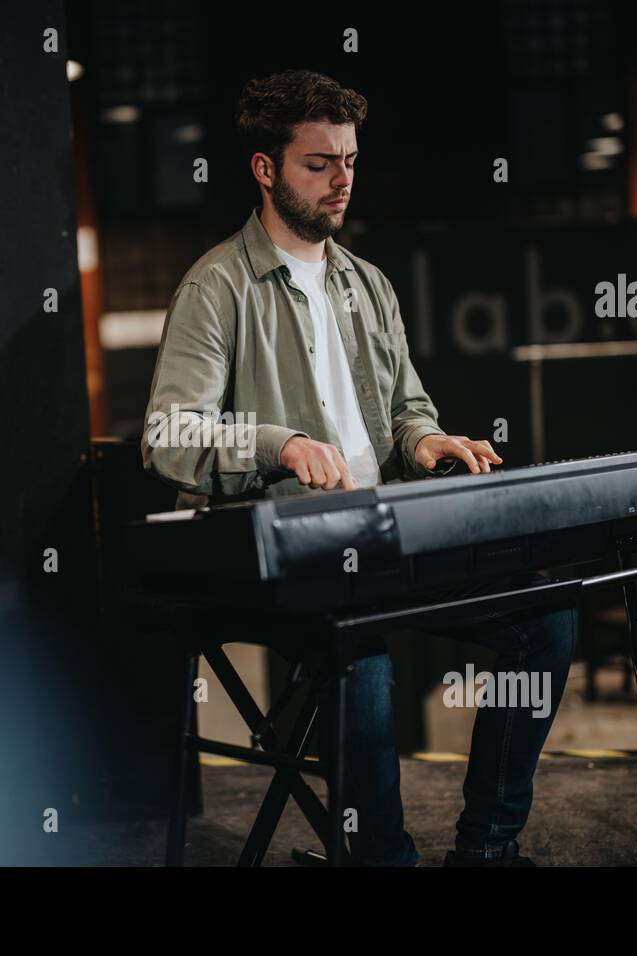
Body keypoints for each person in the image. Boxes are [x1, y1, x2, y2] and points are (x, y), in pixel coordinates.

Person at [141, 69, 576, 866]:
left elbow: (408, 411)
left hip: (381, 537)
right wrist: (278, 444)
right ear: (265, 170)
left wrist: (426, 443)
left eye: (350, 159)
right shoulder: (217, 286)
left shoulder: (367, 285)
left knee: (545, 614)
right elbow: (169, 434)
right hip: (281, 556)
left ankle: (487, 849)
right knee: (359, 646)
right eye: (319, 163)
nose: (342, 179)